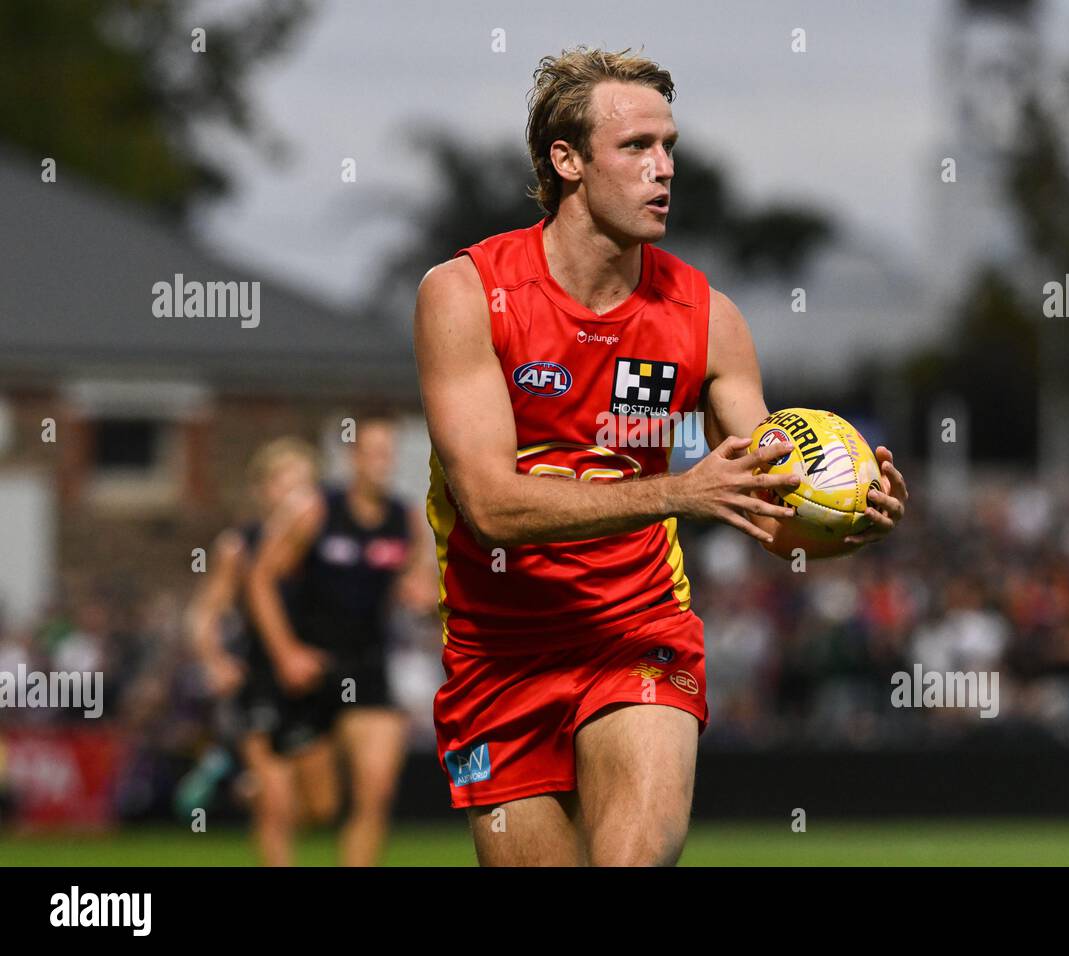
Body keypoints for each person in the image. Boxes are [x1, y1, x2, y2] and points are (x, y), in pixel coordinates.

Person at [412, 46, 908, 866]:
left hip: (637, 632)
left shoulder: (708, 318)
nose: (663, 168)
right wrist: (681, 493)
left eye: (668, 145)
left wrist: (845, 521)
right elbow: (493, 509)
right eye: (636, 147)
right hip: (497, 656)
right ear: (566, 162)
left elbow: (764, 507)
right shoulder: (465, 294)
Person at [247, 414, 433, 866]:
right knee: (321, 807)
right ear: (351, 456)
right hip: (313, 670)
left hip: (370, 666)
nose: (380, 463)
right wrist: (286, 653)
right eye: (370, 452)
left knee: (375, 793)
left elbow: (423, 579)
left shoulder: (405, 519)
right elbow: (260, 580)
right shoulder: (315, 511)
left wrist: (422, 592)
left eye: (387, 453)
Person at [186, 437, 317, 866]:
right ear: (263, 489)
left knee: (320, 804)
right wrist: (214, 660)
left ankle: (244, 787)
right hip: (258, 675)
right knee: (277, 804)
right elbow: (205, 613)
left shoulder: (324, 544)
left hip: (315, 678)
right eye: (285, 482)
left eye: (304, 482)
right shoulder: (239, 545)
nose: (295, 494)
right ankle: (256, 790)